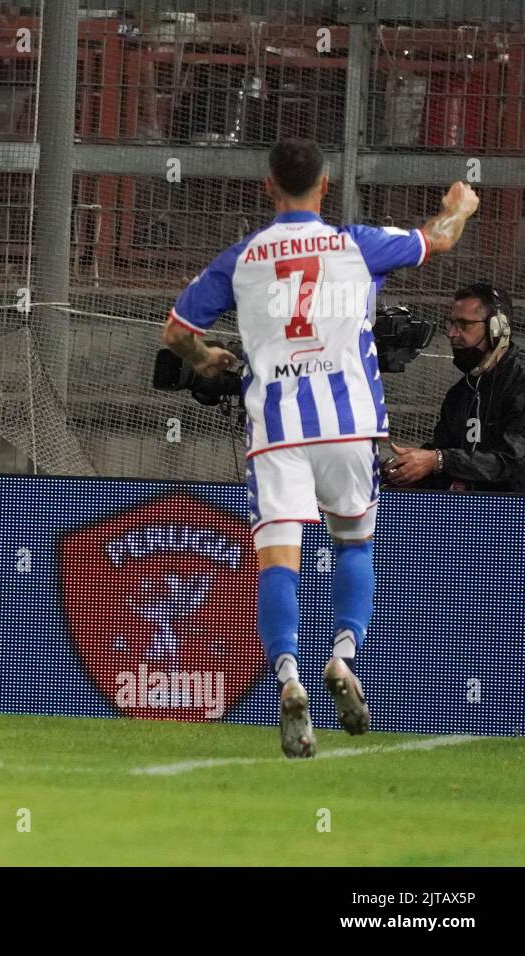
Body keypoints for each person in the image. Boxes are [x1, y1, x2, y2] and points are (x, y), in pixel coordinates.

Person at [160, 138, 479, 757]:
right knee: (353, 542)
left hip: (277, 428)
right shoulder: (356, 244)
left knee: (279, 560)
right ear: (326, 186)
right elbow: (437, 238)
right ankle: (342, 656)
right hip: (348, 426)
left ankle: (287, 678)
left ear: (267, 186)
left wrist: (205, 359)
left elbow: (175, 331)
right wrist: (459, 203)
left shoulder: (244, 257)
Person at [385, 283, 525, 493]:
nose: (451, 333)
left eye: (463, 324)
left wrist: (438, 460)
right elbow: (443, 453)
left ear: (498, 328)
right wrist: (407, 468)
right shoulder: (460, 393)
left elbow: (513, 462)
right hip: (470, 511)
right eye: (451, 324)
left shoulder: (520, 382)